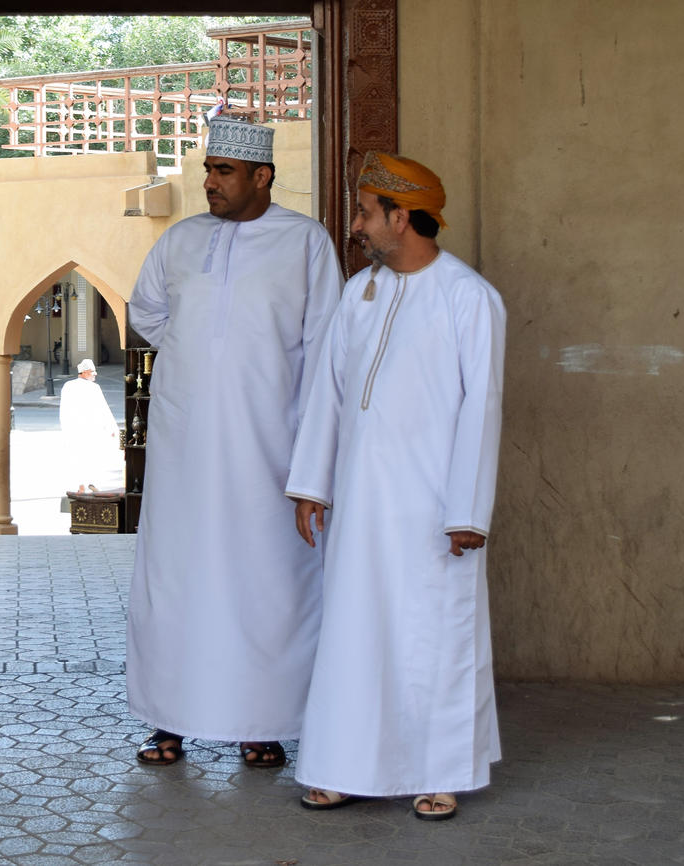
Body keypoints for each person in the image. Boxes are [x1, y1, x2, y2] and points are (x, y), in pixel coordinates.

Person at [286, 153, 505, 819]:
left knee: (432, 638)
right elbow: (328, 393)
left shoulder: (468, 296)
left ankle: (439, 772)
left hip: (433, 510)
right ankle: (343, 766)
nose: (355, 226)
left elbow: (483, 407)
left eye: (364, 213)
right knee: (354, 637)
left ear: (401, 217)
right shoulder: (360, 293)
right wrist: (312, 484)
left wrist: (468, 511)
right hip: (360, 504)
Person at [125, 116, 344, 768]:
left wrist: (310, 451)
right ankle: (168, 722)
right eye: (208, 170)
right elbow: (146, 311)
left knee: (267, 584)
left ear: (262, 176)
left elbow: (326, 345)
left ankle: (262, 722)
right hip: (184, 451)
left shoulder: (305, 243)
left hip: (268, 450)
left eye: (224, 171)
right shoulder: (181, 240)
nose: (210, 182)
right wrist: (199, 364)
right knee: (176, 581)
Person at [58, 358, 121, 494]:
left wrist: (66, 428)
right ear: (85, 372)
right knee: (93, 457)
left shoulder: (68, 386)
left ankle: (81, 484)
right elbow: (103, 409)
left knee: (78, 458)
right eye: (93, 372)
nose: (95, 374)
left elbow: (64, 410)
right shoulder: (93, 388)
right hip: (91, 430)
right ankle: (91, 483)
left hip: (74, 430)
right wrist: (111, 427)